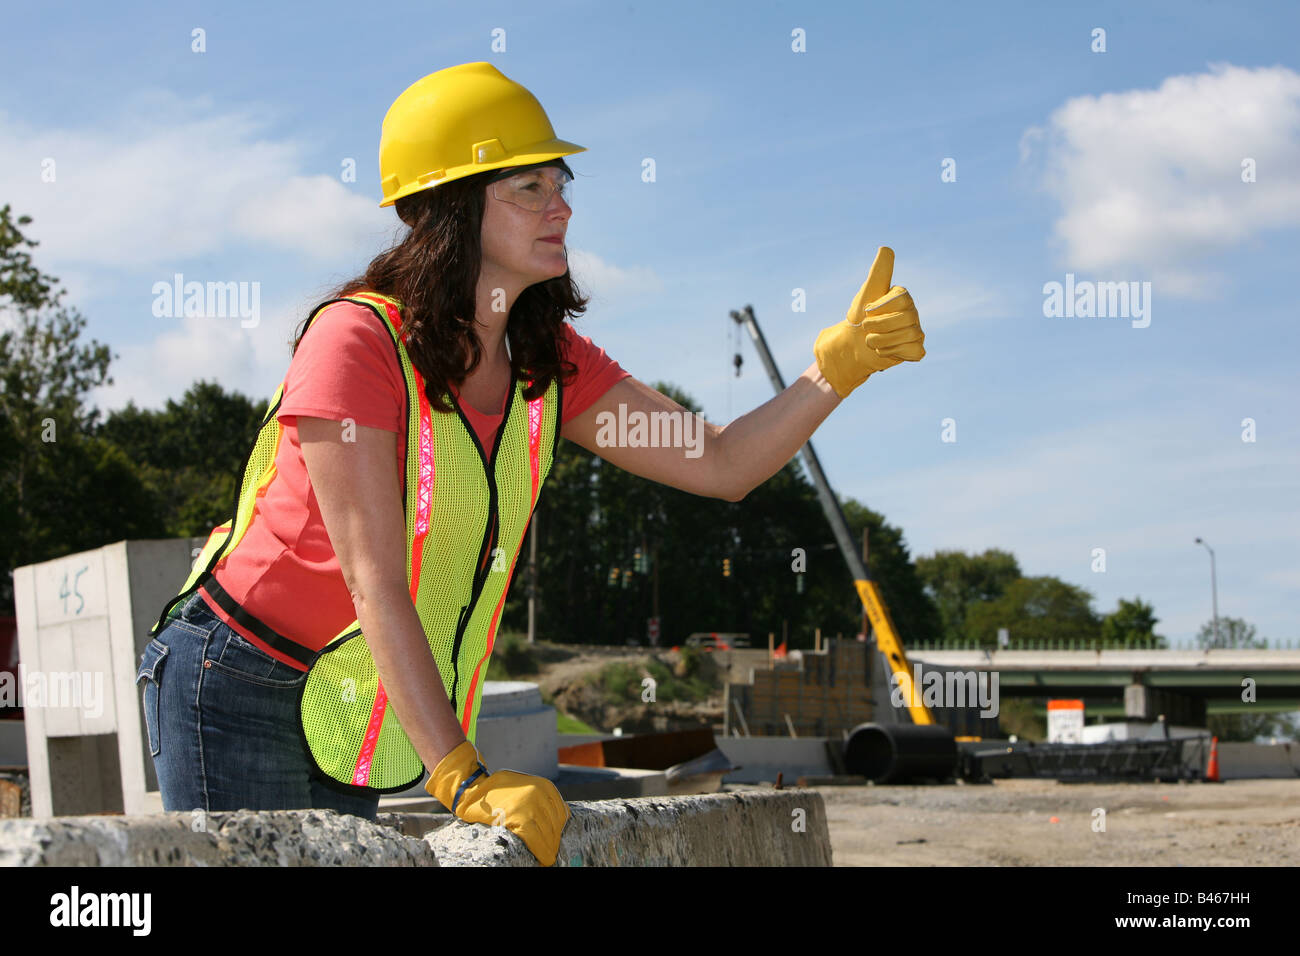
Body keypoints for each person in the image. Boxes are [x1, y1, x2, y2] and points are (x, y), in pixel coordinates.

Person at [136, 61, 925, 867]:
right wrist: (461, 775)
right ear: (449, 205)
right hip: (234, 676)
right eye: (529, 188)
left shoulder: (548, 361)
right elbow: (374, 579)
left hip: (349, 692)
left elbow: (720, 463)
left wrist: (837, 370)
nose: (563, 207)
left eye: (561, 183)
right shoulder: (356, 343)